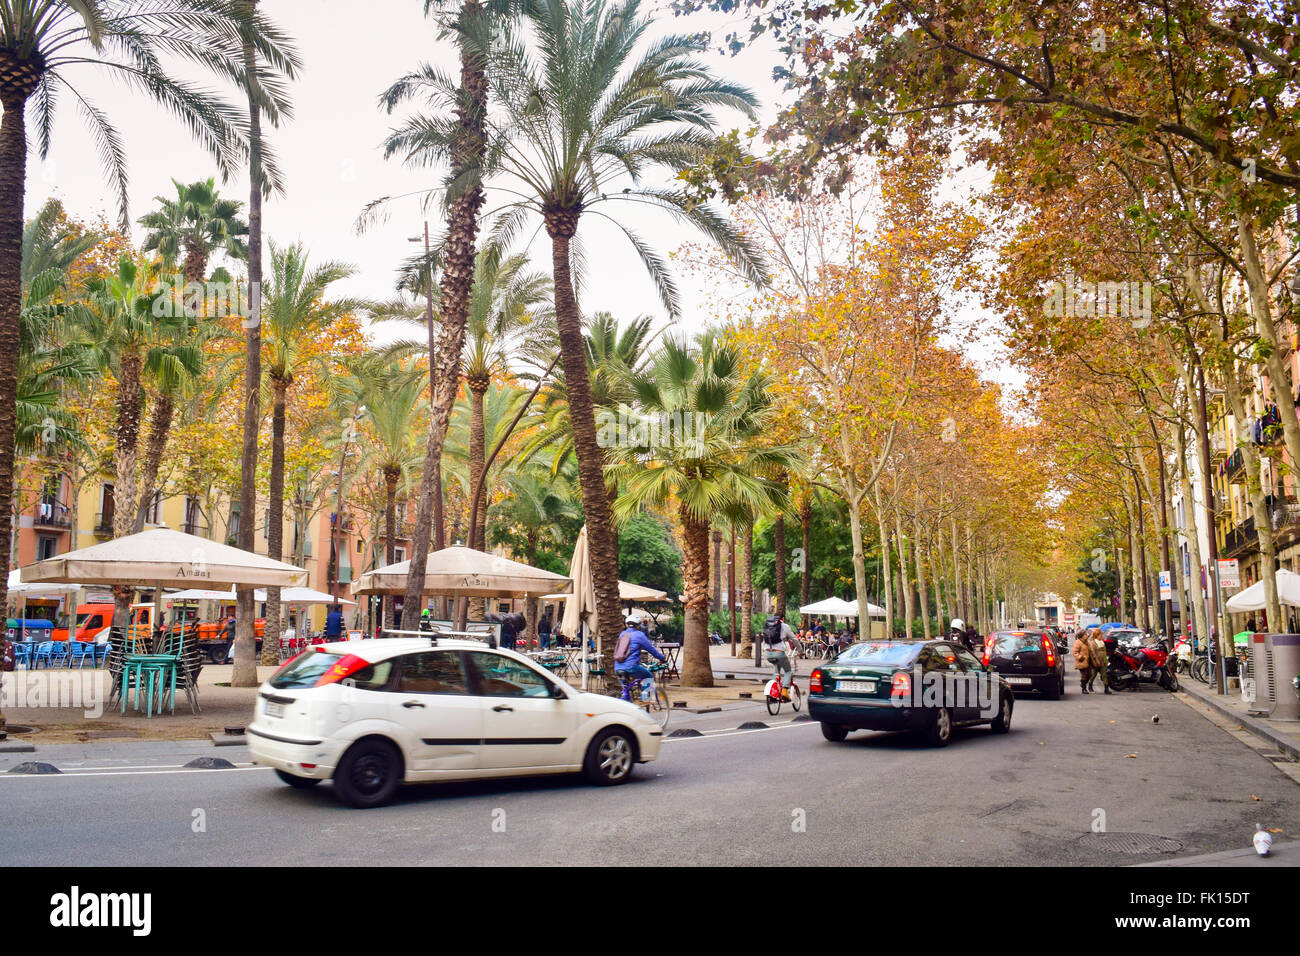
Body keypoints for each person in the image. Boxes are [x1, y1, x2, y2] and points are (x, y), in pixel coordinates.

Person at [614, 615, 665, 701]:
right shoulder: (639, 635)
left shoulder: (622, 634)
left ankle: (627, 708)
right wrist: (662, 658)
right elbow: (651, 649)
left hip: (618, 667)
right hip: (631, 667)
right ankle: (645, 699)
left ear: (626, 625)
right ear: (638, 625)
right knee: (648, 675)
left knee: (626, 690)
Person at [761, 615, 797, 701]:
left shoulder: (768, 625)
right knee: (788, 671)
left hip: (767, 652)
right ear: (783, 618)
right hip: (779, 653)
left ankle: (773, 692)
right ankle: (784, 690)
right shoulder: (784, 626)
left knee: (776, 670)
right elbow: (794, 639)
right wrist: (800, 650)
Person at [1087, 628, 1111, 694]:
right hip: (1096, 661)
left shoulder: (1102, 642)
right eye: (1100, 635)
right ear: (1096, 635)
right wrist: (1095, 661)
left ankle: (1106, 688)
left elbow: (1105, 651)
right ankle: (1090, 685)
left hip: (1103, 660)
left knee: (1104, 675)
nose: (1101, 636)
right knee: (1093, 674)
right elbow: (1093, 653)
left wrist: (1106, 660)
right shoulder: (1092, 643)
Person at [1072, 628, 1092, 693]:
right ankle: (1084, 689)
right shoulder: (1078, 642)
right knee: (1084, 675)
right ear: (1082, 635)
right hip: (1082, 661)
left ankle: (1082, 684)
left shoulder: (1087, 642)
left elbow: (1090, 650)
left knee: (1090, 674)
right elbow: (1075, 652)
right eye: (1085, 634)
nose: (1087, 635)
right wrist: (1081, 657)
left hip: (1088, 661)